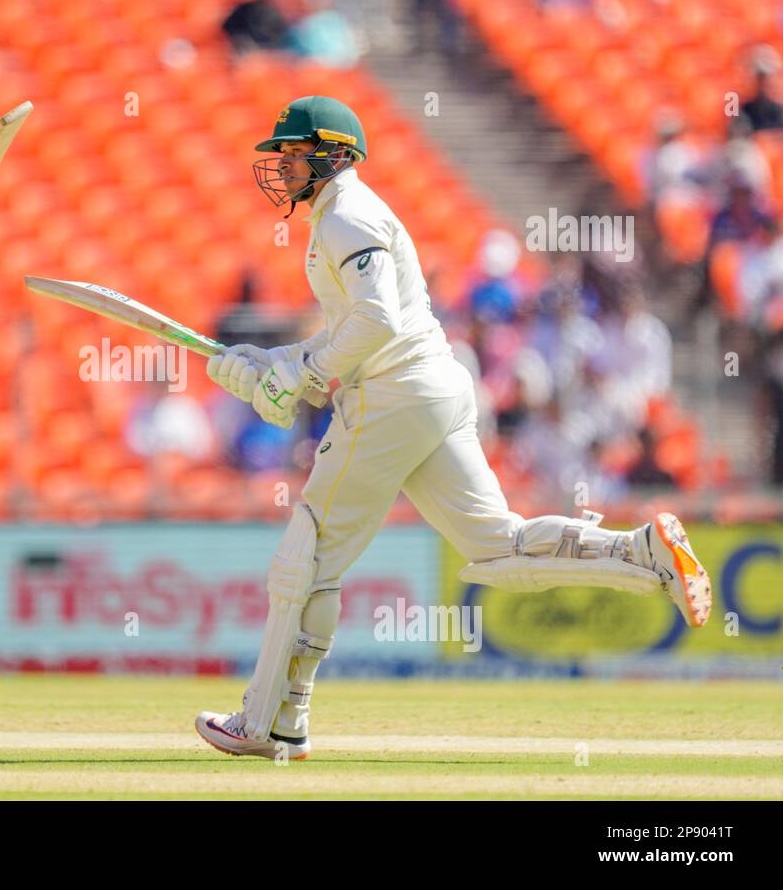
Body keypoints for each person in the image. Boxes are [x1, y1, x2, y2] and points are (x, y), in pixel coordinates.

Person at [194, 96, 714, 760]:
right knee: (499, 548)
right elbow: (365, 322)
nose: (283, 166)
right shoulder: (347, 214)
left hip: (393, 395)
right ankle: (643, 553)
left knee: (306, 557)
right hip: (432, 387)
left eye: (293, 153)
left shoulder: (345, 217)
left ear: (330, 155)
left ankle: (266, 720)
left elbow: (378, 322)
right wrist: (277, 364)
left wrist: (300, 371)